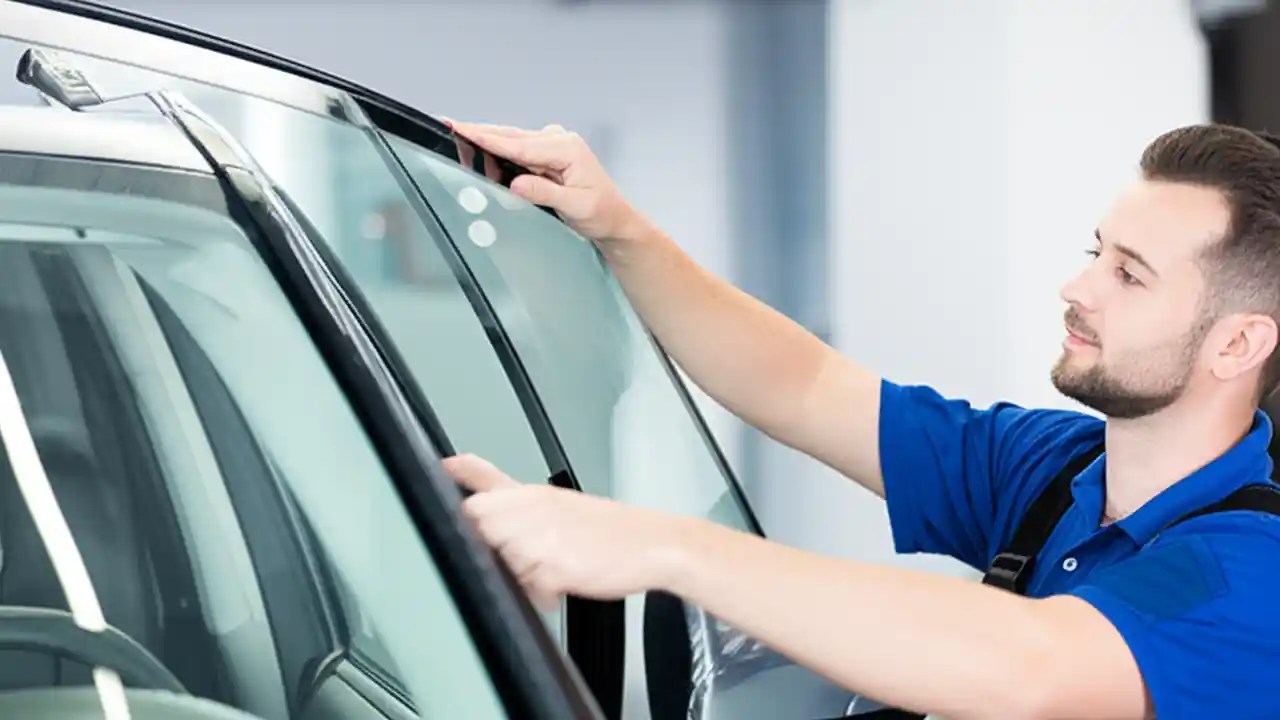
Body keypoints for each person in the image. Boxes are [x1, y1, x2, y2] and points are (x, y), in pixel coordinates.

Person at [440, 120, 1280, 719]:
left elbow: (1029, 662)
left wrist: (658, 546)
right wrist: (620, 231)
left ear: (1238, 343)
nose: (1078, 286)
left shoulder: (1251, 578)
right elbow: (807, 387)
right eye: (1096, 251)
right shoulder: (1055, 466)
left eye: (1130, 276)